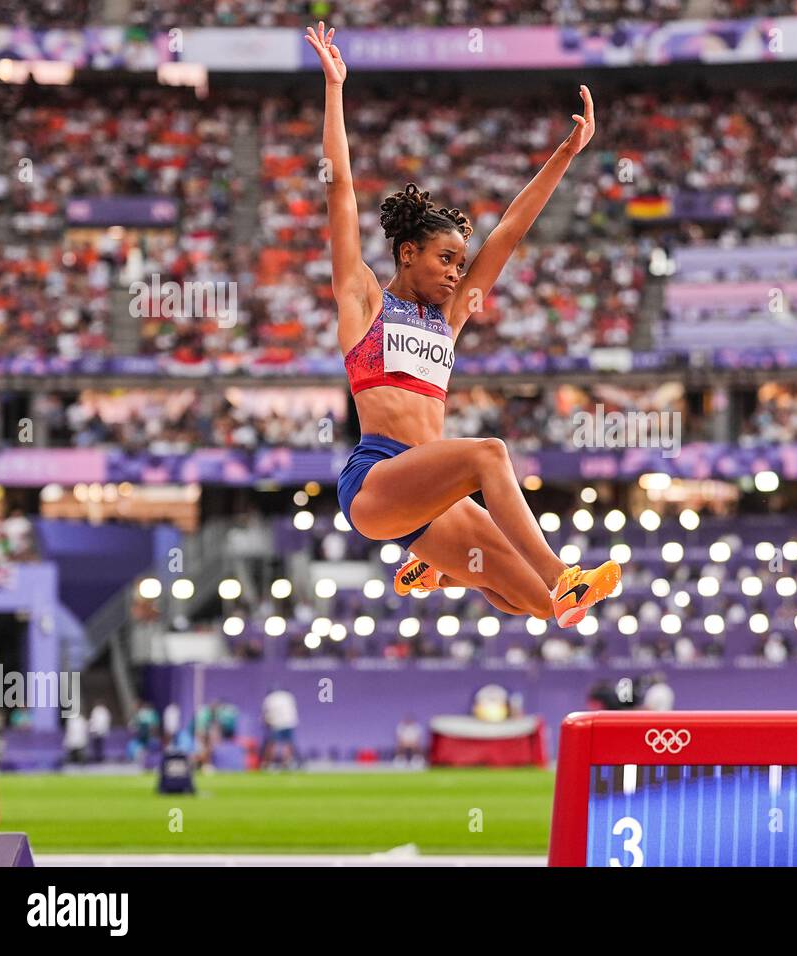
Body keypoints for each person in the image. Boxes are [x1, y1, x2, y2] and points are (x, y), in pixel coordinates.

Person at [304, 22, 619, 629]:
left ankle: (450, 569)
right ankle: (564, 574)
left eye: (459, 262)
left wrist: (565, 153)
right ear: (405, 254)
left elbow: (509, 234)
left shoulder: (446, 317)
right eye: (444, 259)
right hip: (376, 482)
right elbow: (339, 188)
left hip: (429, 497)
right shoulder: (364, 302)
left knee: (537, 602)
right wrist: (335, 88)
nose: (456, 273)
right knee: (489, 454)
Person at [260, 686, 299, 769]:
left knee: (272, 744)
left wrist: (266, 722)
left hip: (277, 723)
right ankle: (286, 763)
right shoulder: (289, 696)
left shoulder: (269, 698)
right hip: (289, 722)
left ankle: (268, 764)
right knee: (288, 743)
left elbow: (266, 713)